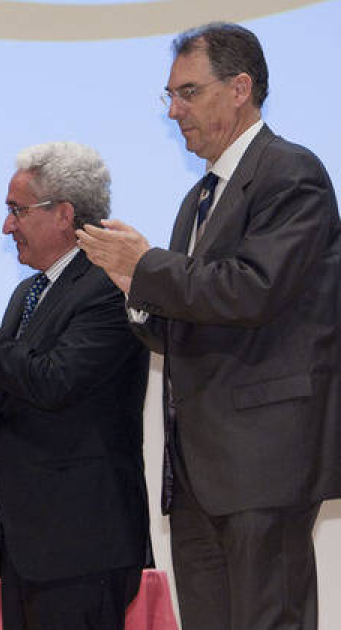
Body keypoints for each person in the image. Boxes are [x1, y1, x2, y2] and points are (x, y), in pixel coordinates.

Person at [76, 22, 341, 630]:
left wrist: (145, 268)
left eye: (188, 92)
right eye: (168, 95)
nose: (174, 111)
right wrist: (136, 295)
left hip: (263, 465)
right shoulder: (197, 199)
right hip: (199, 474)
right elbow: (188, 324)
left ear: (240, 87)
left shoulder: (290, 173)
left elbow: (253, 289)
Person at [0, 141, 150, 630]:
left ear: (63, 214)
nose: (6, 226)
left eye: (15, 211)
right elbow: (9, 404)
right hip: (27, 545)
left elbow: (53, 382)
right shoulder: (28, 292)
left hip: (84, 546)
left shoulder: (108, 286)